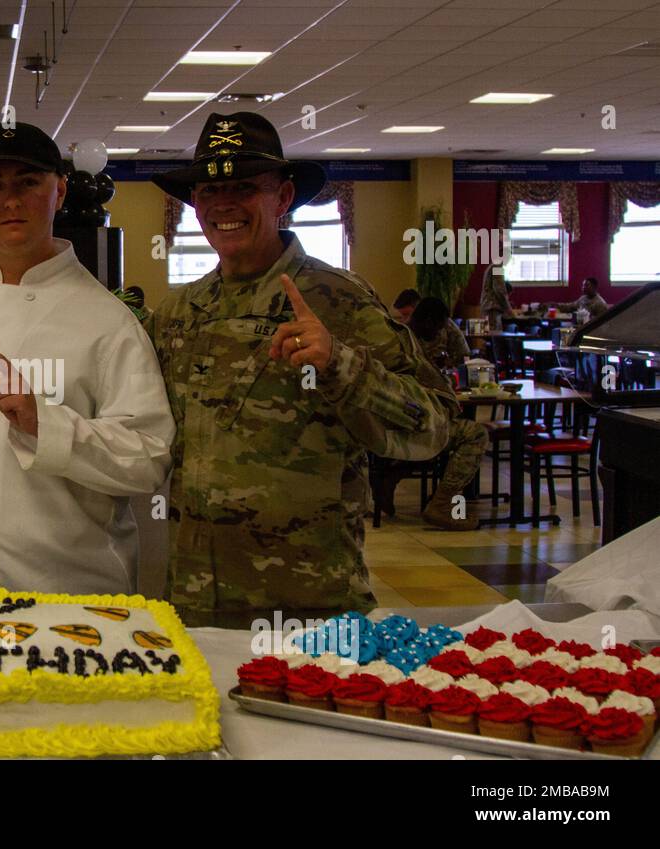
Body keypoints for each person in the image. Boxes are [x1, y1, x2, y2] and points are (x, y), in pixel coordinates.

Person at [143, 112, 456, 628]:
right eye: (207, 191)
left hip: (311, 608)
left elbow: (437, 427)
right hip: (196, 602)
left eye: (243, 187)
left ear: (283, 198)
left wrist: (342, 364)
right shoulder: (179, 313)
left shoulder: (339, 300)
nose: (222, 205)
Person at [0, 123, 174, 594]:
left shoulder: (107, 321)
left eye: (28, 182)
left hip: (65, 589)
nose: (10, 200)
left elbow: (149, 458)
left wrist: (44, 424)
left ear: (60, 189)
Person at [396, 297, 489, 531]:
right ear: (428, 321)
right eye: (437, 326)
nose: (440, 331)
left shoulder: (397, 337)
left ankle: (388, 480)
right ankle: (443, 501)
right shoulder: (406, 342)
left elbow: (463, 358)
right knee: (475, 434)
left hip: (401, 421)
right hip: (415, 421)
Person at [479, 264, 512, 331]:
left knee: (488, 335)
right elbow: (500, 291)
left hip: (487, 307)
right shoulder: (497, 267)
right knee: (494, 336)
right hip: (492, 309)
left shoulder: (491, 267)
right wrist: (509, 310)